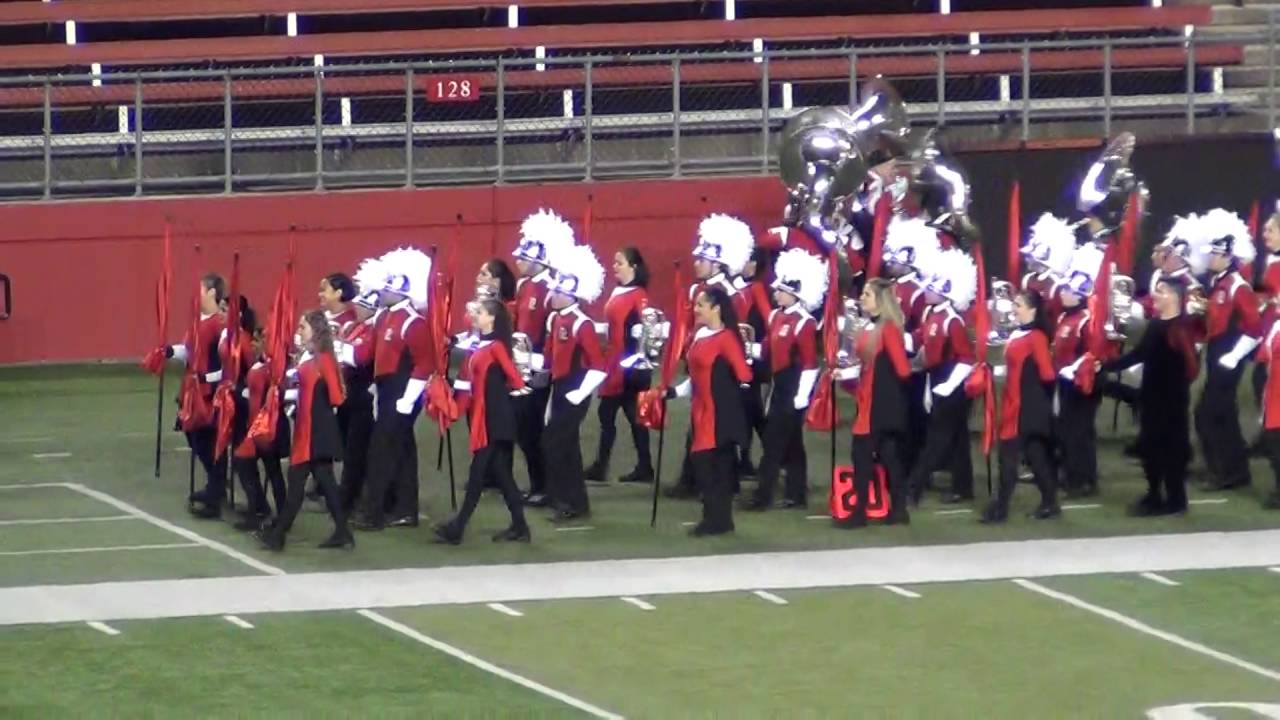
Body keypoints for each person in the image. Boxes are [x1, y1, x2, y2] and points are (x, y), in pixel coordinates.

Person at [667, 213, 755, 499]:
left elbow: (734, 333)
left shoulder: (729, 293)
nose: (697, 264)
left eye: (702, 260)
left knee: (716, 429)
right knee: (698, 424)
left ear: (717, 263)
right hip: (699, 359)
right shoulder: (698, 289)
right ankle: (695, 479)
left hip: (719, 368)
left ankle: (719, 483)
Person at [434, 299, 531, 544]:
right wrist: (451, 408)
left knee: (478, 473)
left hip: (495, 418)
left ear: (492, 319)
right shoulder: (478, 347)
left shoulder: (496, 347)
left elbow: (516, 380)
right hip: (486, 417)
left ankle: (457, 528)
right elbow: (467, 387)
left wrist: (494, 386)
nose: (475, 316)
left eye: (480, 313)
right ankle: (520, 526)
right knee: (502, 476)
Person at [1103, 276, 1200, 515]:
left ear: (1175, 297)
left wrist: (1174, 391)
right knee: (1150, 449)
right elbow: (1139, 354)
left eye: (1162, 291)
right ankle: (1154, 495)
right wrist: (1106, 366)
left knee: (1171, 451)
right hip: (1151, 398)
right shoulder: (1156, 324)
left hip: (1171, 403)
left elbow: (1192, 367)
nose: (1155, 295)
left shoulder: (1179, 328)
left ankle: (1176, 501)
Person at [353, 247, 434, 531]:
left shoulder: (413, 323)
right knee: (402, 450)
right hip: (387, 388)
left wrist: (408, 400)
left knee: (382, 450)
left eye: (388, 288)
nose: (382, 292)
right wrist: (377, 389)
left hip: (403, 390)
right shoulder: (383, 318)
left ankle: (373, 512)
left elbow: (425, 365)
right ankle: (404, 509)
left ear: (402, 291)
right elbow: (375, 356)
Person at [257, 310, 351, 551]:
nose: (299, 332)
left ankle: (278, 535)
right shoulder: (307, 359)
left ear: (316, 330)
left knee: (297, 486)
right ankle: (343, 532)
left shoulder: (324, 359)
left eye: (303, 327)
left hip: (315, 433)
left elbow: (338, 397)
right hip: (306, 429)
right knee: (327, 485)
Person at [667, 286, 754, 536]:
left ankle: (717, 520)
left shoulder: (727, 338)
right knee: (706, 466)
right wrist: (674, 392)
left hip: (719, 413)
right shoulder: (699, 334)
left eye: (701, 305)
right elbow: (696, 376)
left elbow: (744, 374)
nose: (696, 310)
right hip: (700, 410)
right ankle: (717, 519)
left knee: (711, 466)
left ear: (716, 308)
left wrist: (741, 364)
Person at [742, 249, 823, 511]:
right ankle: (796, 494)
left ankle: (762, 496)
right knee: (792, 444)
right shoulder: (776, 316)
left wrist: (801, 397)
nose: (775, 293)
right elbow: (766, 349)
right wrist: (745, 349)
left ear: (794, 292)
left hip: (793, 385)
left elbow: (811, 364)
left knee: (774, 443)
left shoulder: (805, 323)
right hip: (777, 384)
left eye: (780, 290)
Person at [535, 243, 607, 522]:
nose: (552, 295)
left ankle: (568, 500)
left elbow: (599, 366)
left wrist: (580, 393)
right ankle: (571, 500)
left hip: (575, 388)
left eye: (558, 291)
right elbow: (550, 357)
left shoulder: (582, 323)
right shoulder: (555, 319)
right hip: (559, 387)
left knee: (556, 443)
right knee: (565, 446)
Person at [1192, 209, 1261, 492]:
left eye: (1216, 254)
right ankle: (1235, 470)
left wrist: (1234, 356)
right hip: (1217, 352)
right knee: (1224, 416)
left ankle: (1223, 471)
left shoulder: (1237, 287)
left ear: (1229, 256)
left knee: (1208, 414)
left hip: (1229, 356)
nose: (1211, 258)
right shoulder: (1217, 284)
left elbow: (1255, 328)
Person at [510, 210, 575, 507]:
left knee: (532, 426)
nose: (518, 261)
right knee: (524, 428)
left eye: (524, 257)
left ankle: (547, 485)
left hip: (539, 367)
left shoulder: (550, 287)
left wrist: (540, 366)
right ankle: (540, 482)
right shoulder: (526, 285)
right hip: (522, 363)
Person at [906, 248, 976, 505]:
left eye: (930, 288)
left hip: (950, 383)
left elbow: (966, 359)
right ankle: (964, 487)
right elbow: (919, 340)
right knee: (958, 440)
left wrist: (948, 386)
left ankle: (914, 488)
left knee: (936, 439)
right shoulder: (931, 314)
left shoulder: (952, 321)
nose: (925, 291)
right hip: (934, 379)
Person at [981, 290, 1058, 524]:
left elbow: (1047, 373)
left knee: (1008, 457)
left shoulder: (1036, 337)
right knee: (1035, 456)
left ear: (1032, 309)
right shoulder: (1017, 334)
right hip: (1014, 402)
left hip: (1025, 405)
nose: (1014, 308)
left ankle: (1000, 508)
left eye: (1018, 304)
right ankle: (1050, 503)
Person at [843, 278, 912, 526]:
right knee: (888, 456)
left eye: (867, 295)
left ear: (880, 300)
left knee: (862, 455)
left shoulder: (889, 329)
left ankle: (860, 512)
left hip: (880, 404)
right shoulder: (868, 327)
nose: (862, 298)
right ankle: (899, 510)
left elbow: (903, 370)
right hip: (868, 399)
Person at [586, 247, 655, 485]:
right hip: (614, 361)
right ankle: (636, 466)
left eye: (619, 262)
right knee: (617, 414)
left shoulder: (638, 295)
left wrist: (633, 362)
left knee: (622, 414)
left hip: (627, 364)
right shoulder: (620, 291)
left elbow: (645, 328)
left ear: (633, 267)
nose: (614, 266)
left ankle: (607, 466)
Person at [162, 272, 228, 519]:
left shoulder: (220, 325)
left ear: (212, 292)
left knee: (209, 441)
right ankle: (215, 482)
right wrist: (169, 351)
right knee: (193, 437)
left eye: (201, 289)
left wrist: (207, 380)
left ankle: (216, 489)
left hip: (209, 393)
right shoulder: (197, 322)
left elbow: (225, 363)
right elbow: (189, 351)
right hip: (192, 391)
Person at [880, 216, 941, 477]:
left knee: (913, 415)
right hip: (890, 359)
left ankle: (913, 465)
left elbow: (923, 326)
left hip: (911, 361)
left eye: (896, 258)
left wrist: (906, 341)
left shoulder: (917, 290)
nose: (891, 262)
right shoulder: (891, 287)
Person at [1053, 243, 1106, 498]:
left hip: (1084, 383)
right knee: (1066, 429)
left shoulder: (1087, 320)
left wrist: (1072, 369)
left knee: (1080, 432)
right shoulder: (1065, 318)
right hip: (1065, 383)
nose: (1063, 293)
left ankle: (1085, 480)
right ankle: (1071, 474)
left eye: (1069, 290)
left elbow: (1091, 351)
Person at [333, 272, 382, 514]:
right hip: (349, 391)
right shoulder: (356, 326)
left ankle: (348, 497)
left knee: (357, 448)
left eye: (363, 306)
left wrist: (338, 347)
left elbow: (361, 358)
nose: (358, 309)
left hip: (364, 393)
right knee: (348, 444)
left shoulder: (373, 329)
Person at [232, 326, 290, 530]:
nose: (253, 344)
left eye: (259, 340)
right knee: (247, 464)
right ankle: (260, 507)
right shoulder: (260, 365)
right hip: (255, 426)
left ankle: (277, 514)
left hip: (269, 426)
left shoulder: (277, 367)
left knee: (272, 470)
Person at [733, 248, 775, 477]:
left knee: (751, 412)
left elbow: (770, 320)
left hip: (753, 360)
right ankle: (767, 457)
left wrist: (760, 347)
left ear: (755, 265)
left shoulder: (757, 288)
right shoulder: (740, 287)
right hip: (743, 357)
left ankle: (750, 459)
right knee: (753, 412)